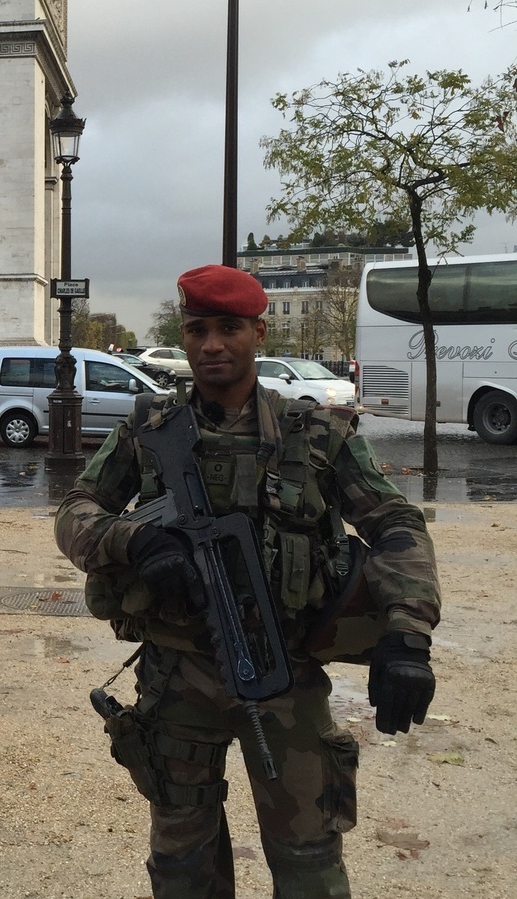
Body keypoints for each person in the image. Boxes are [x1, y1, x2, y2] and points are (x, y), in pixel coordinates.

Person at [54, 264, 440, 899]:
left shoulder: (316, 434)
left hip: (284, 674)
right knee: (182, 865)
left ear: (258, 331)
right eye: (197, 329)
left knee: (310, 860)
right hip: (176, 680)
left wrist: (407, 633)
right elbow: (76, 511)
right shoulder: (149, 434)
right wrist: (136, 539)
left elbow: (396, 522)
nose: (211, 345)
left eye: (228, 328)